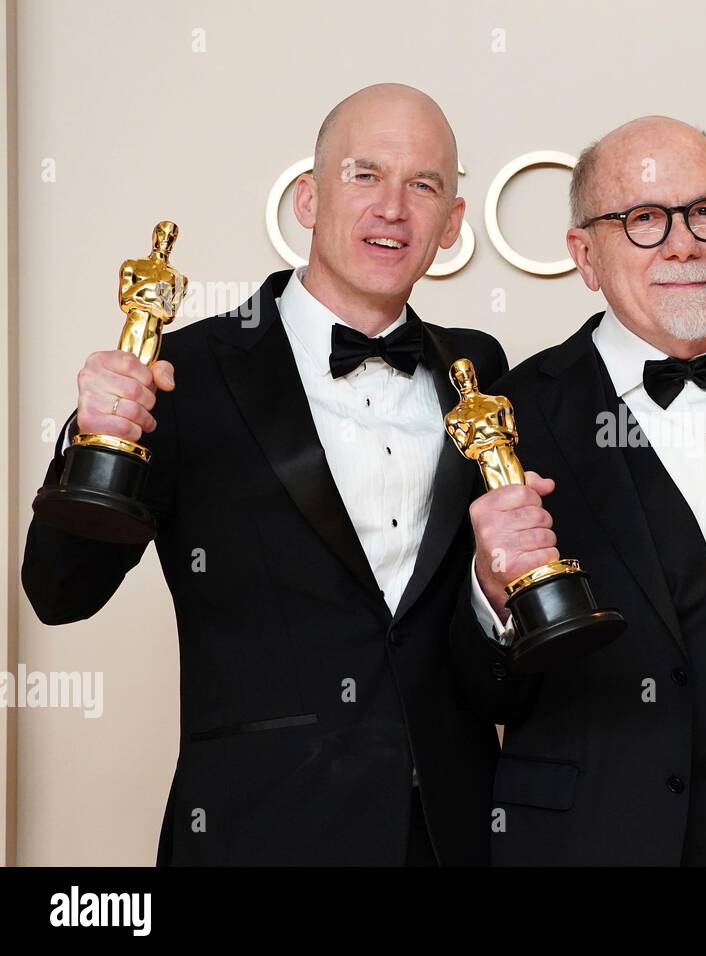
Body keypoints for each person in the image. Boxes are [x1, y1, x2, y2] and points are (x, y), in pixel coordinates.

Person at [24, 84, 507, 865]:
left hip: (451, 837)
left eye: (424, 184)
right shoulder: (183, 373)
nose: (393, 207)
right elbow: (59, 592)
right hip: (255, 833)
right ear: (307, 200)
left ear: (452, 224)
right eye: (364, 174)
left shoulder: (476, 370)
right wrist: (92, 443)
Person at [450, 116, 706, 865]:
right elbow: (472, 692)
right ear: (585, 254)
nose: (681, 244)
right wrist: (491, 596)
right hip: (588, 841)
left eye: (705, 213)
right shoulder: (508, 415)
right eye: (642, 219)